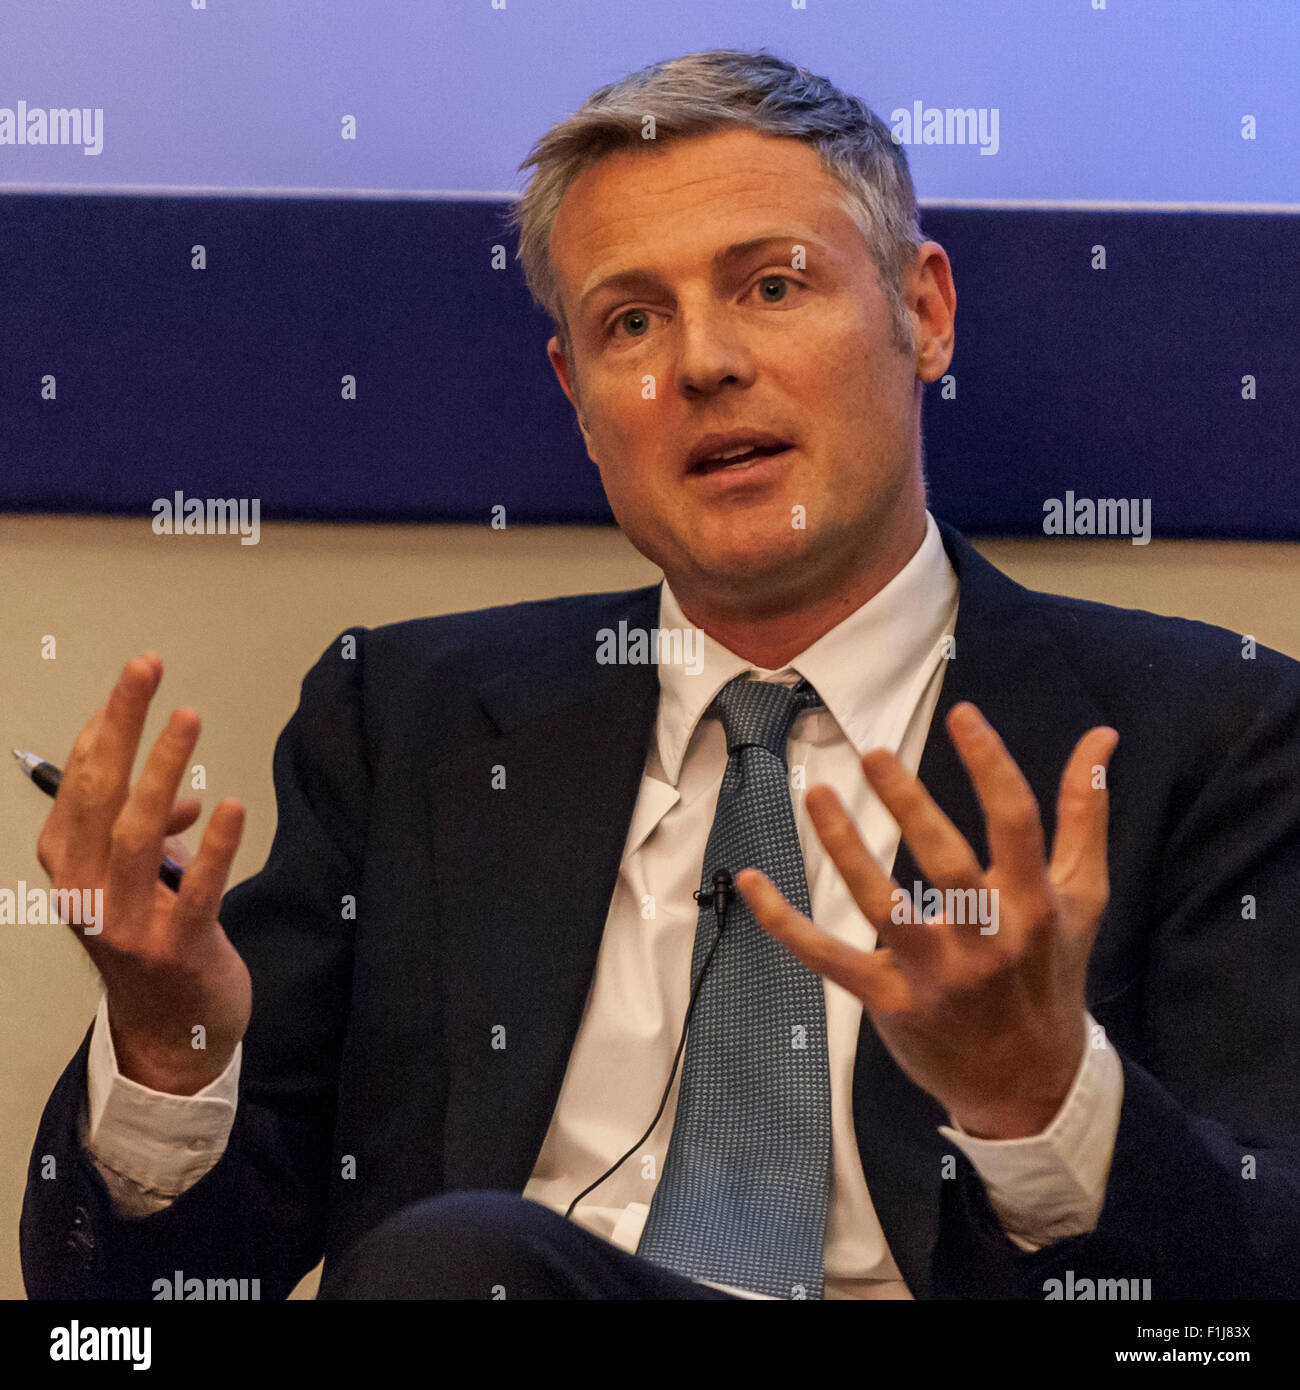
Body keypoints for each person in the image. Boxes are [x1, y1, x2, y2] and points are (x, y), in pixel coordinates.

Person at [22, 49, 1300, 1301]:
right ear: (577, 398)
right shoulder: (413, 720)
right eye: (631, 320)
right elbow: (140, 1300)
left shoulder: (1209, 732)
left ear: (924, 310)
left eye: (772, 286)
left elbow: (1257, 1267)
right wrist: (165, 1035)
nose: (701, 363)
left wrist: (1041, 1099)